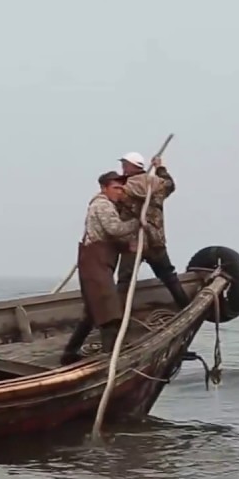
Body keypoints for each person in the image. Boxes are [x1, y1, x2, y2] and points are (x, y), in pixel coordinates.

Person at [60, 172, 142, 366]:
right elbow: (114, 229)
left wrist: (124, 247)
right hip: (94, 264)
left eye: (122, 188)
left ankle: (69, 353)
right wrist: (137, 222)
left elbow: (105, 237)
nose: (119, 192)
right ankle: (110, 358)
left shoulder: (106, 205)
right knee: (109, 311)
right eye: (116, 188)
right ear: (104, 188)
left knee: (91, 313)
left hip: (96, 262)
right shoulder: (102, 205)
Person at [114, 151, 188, 308]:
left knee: (124, 281)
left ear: (131, 166)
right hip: (155, 238)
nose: (123, 168)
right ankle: (184, 304)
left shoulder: (124, 188)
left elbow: (116, 205)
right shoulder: (156, 184)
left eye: (125, 165)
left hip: (132, 241)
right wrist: (160, 167)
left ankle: (118, 315)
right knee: (168, 275)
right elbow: (170, 185)